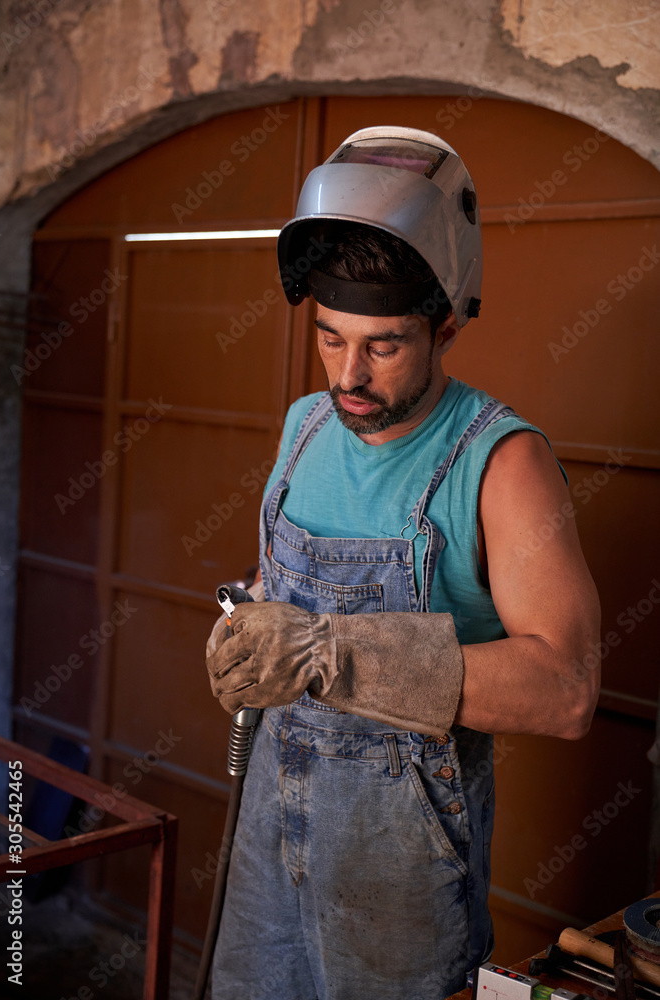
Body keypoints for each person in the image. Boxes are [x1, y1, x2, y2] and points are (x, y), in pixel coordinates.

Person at [206, 126, 600, 1000]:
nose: (348, 376)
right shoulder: (306, 424)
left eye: (382, 346)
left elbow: (566, 688)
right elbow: (278, 582)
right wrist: (246, 622)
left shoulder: (500, 462)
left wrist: (325, 652)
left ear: (444, 326)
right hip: (269, 814)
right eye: (329, 338)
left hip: (398, 852)